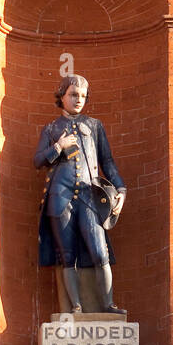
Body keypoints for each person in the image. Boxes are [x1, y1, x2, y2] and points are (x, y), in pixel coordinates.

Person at [34, 74, 127, 314]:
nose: (78, 100)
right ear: (62, 96)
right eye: (73, 94)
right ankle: (75, 307)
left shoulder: (95, 126)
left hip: (89, 195)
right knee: (67, 255)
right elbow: (37, 160)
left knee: (99, 250)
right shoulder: (52, 128)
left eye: (83, 96)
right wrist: (58, 147)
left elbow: (107, 161)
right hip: (59, 197)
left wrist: (121, 189)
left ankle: (108, 304)